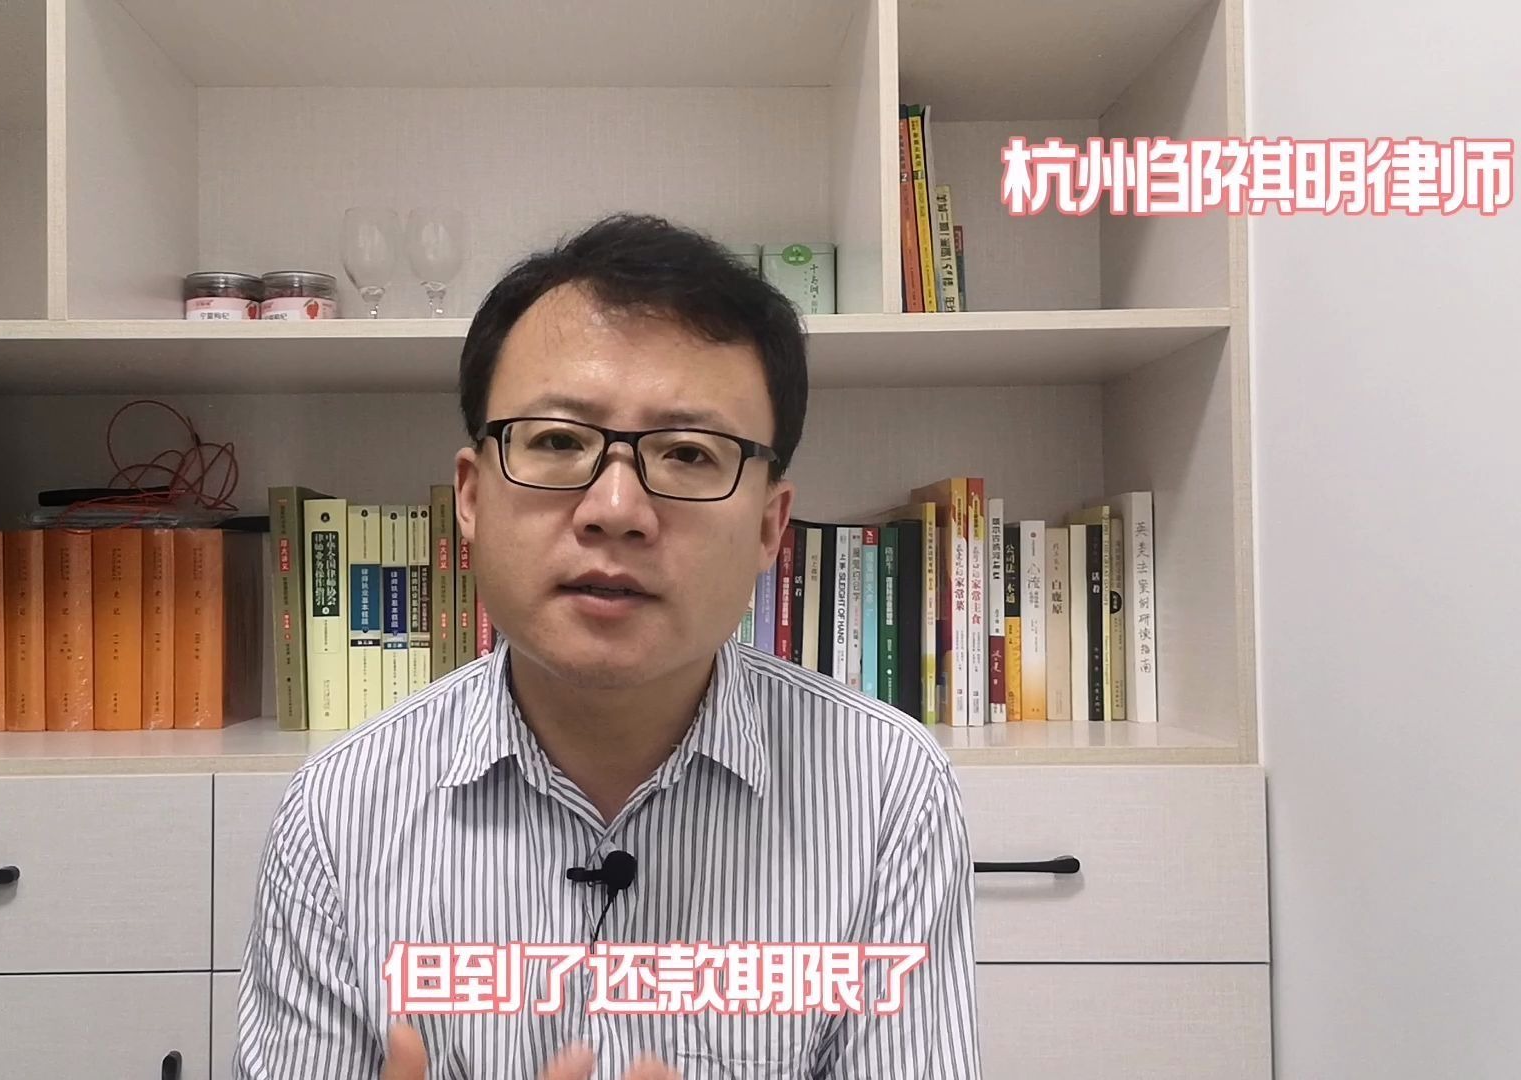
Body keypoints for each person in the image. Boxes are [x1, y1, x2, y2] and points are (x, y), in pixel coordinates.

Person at [234, 213, 980, 1079]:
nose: (616, 510)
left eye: (690, 454)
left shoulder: (888, 795)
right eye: (558, 441)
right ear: (470, 498)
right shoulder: (338, 815)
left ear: (770, 526)